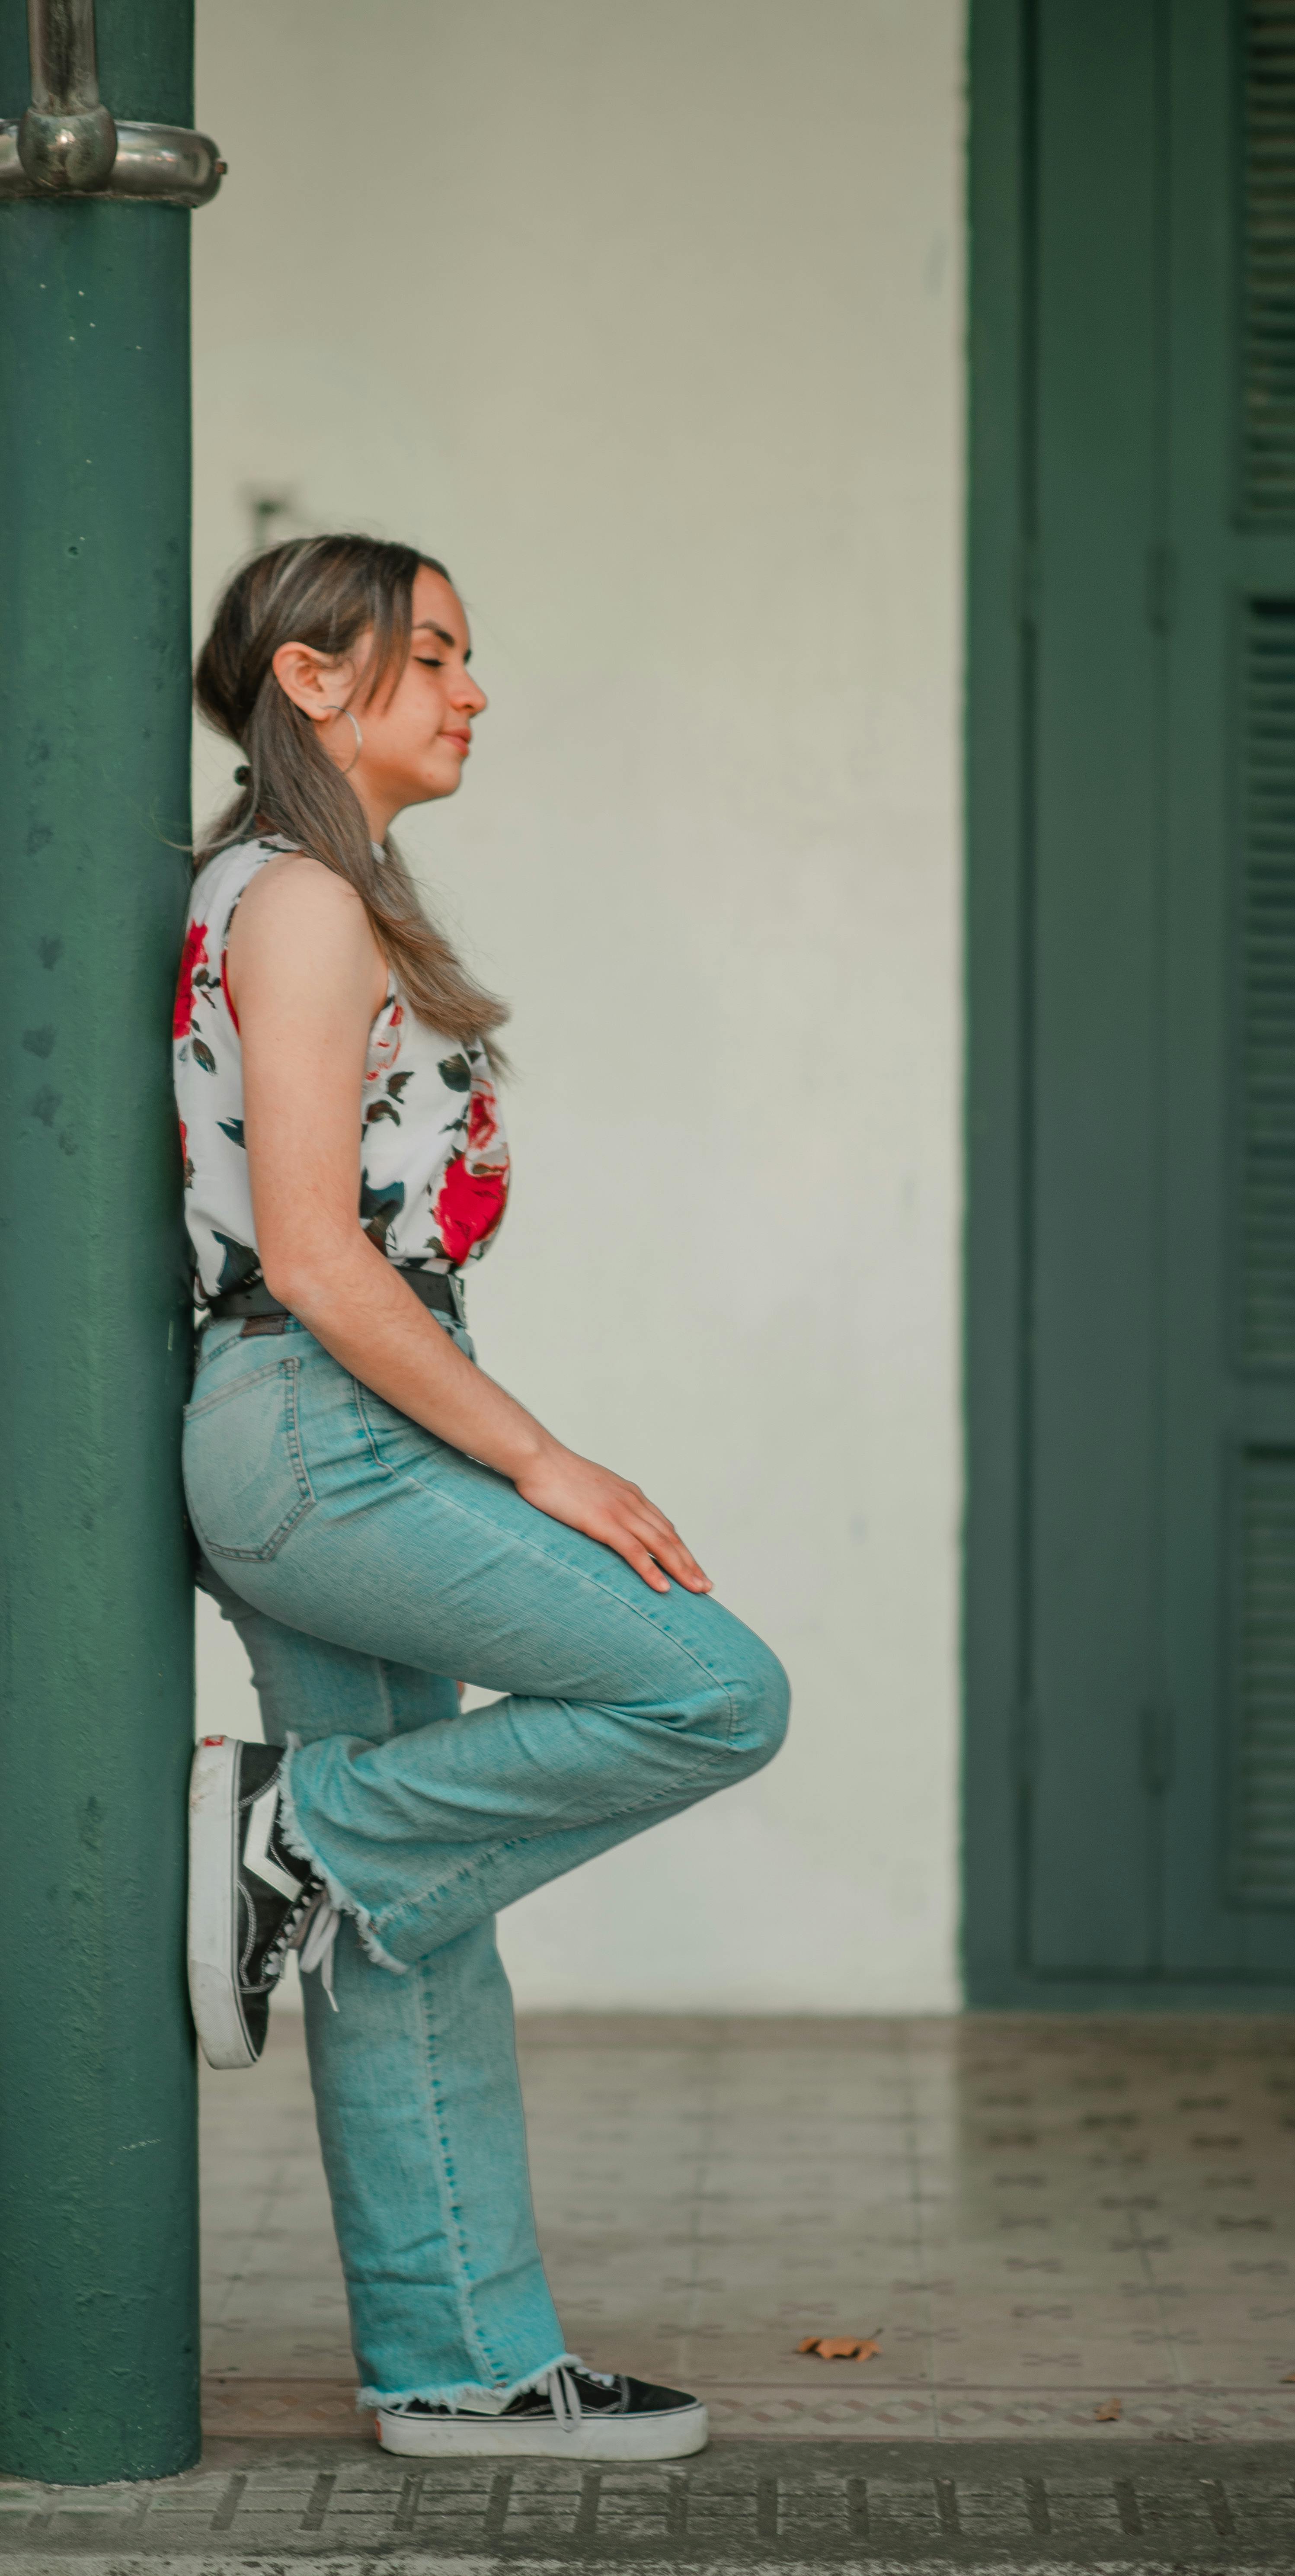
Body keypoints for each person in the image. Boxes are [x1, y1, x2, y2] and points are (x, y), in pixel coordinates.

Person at [175, 535, 790, 2462]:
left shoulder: (299, 889)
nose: (472, 689)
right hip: (320, 1424)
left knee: (403, 1919)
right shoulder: (299, 901)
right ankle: (288, 1828)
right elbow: (314, 1251)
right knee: (714, 1689)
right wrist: (541, 1453)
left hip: (336, 1419)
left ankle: (463, 2363)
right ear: (310, 677)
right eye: (431, 653)